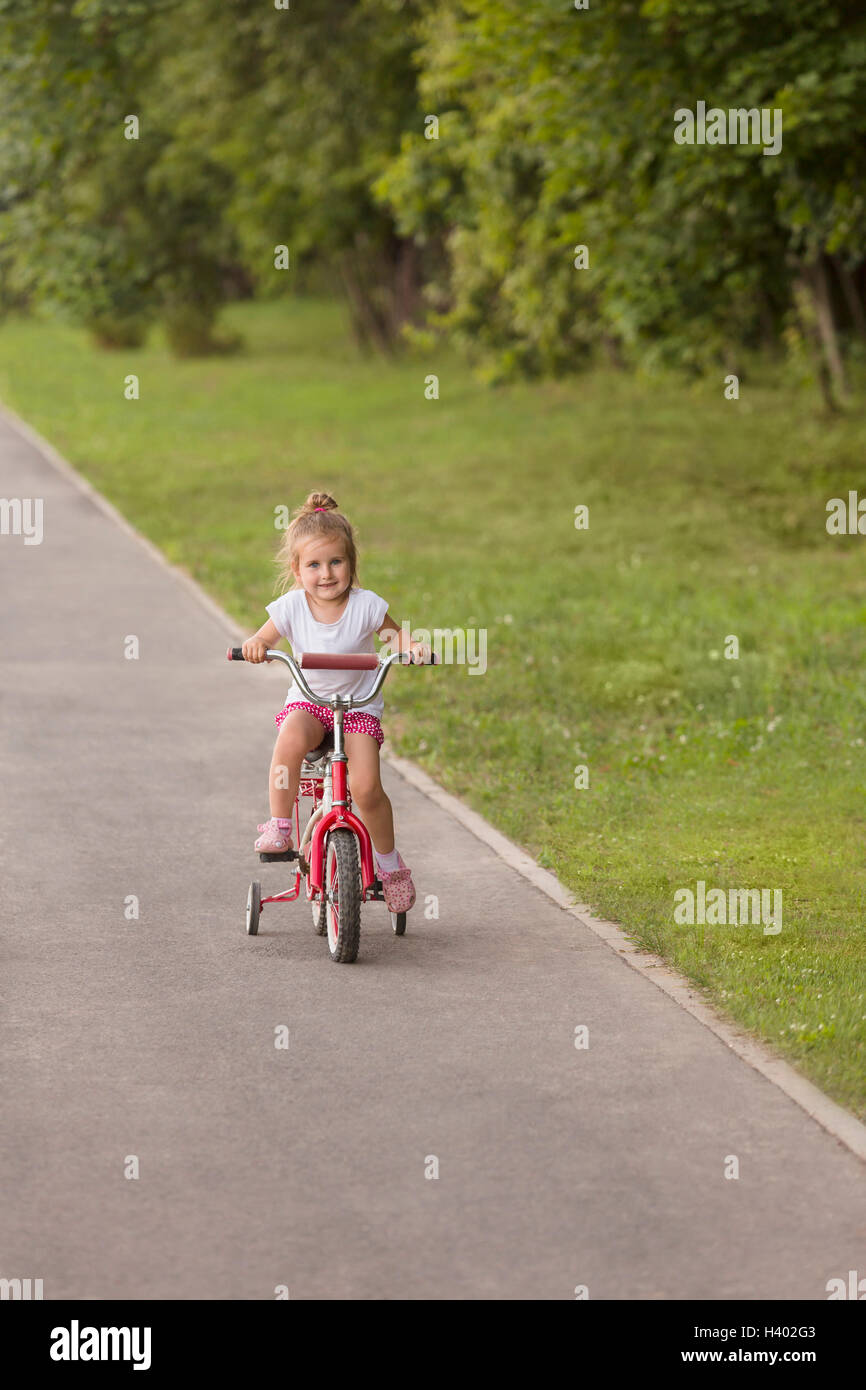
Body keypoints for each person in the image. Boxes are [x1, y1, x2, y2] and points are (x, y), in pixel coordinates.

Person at [241, 490, 431, 913]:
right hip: (310, 702)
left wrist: (411, 646)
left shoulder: (366, 606)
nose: (326, 574)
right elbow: (264, 638)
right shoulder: (291, 607)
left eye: (336, 563)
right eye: (314, 565)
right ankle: (280, 824)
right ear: (297, 569)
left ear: (351, 564)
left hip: (358, 707)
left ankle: (389, 864)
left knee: (366, 788)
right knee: (289, 742)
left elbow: (395, 637)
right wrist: (255, 645)